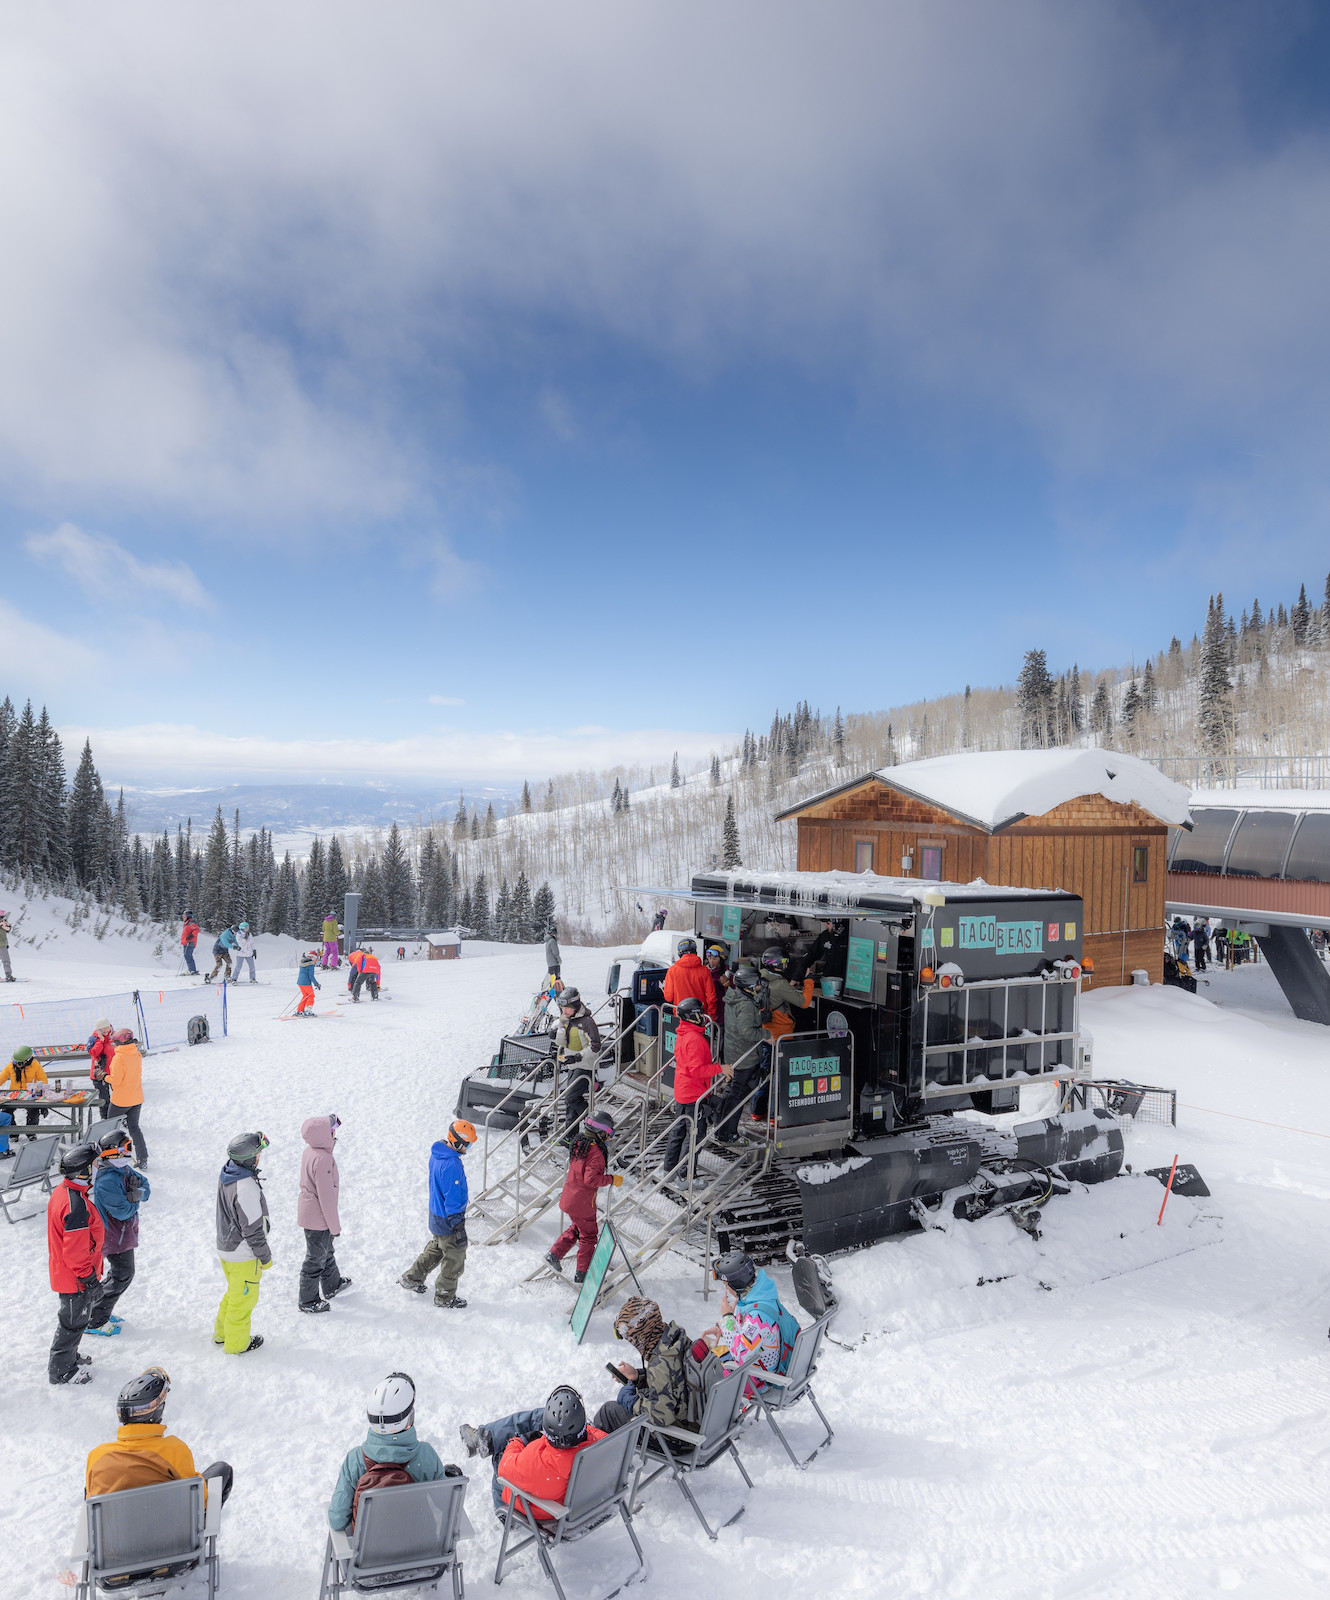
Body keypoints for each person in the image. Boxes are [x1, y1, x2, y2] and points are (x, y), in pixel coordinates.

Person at [328, 1373, 459, 1533]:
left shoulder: (355, 1459)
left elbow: (337, 1520)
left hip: (370, 1556)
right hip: (420, 1550)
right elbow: (446, 1506)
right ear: (410, 1416)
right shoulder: (425, 1455)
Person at [86, 1366, 234, 1506]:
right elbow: (199, 1500)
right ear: (158, 1411)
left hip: (114, 1532)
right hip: (170, 1531)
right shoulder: (174, 1450)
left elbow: (90, 1500)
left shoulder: (96, 1456)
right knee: (222, 1469)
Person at [458, 1386, 604, 1518]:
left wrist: (516, 1441)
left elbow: (505, 1465)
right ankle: (485, 1436)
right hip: (579, 1498)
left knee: (499, 1454)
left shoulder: (536, 1462)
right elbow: (590, 1430)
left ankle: (504, 1512)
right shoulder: (605, 1444)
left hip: (543, 1510)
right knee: (545, 1416)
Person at [399, 1120, 475, 1309]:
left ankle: (412, 1277)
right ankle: (444, 1296)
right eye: (468, 1144)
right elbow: (453, 1199)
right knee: (454, 1256)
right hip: (449, 1219)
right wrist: (457, 1226)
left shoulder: (438, 1155)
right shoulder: (452, 1165)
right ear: (458, 1142)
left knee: (437, 1248)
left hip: (436, 1215)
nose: (468, 1148)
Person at [591, 1296, 692, 1433]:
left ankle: (591, 1449)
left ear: (641, 1338)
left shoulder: (660, 1363)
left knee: (608, 1412)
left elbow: (661, 1416)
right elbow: (675, 1380)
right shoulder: (675, 1340)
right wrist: (639, 1376)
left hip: (680, 1437)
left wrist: (632, 1402)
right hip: (693, 1419)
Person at [48, 1141, 104, 1385]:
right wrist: (89, 1279)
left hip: (68, 1273)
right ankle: (61, 1371)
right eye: (93, 1165)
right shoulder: (76, 1205)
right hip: (75, 1278)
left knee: (77, 1320)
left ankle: (69, 1357)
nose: (97, 1167)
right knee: (72, 1323)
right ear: (83, 1172)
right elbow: (76, 1251)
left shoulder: (66, 1192)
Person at [700, 1250, 798, 1387]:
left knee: (701, 1372)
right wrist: (721, 1327)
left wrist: (727, 1318)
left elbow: (740, 1356)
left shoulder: (757, 1315)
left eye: (726, 1285)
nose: (726, 1289)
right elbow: (747, 1331)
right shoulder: (759, 1295)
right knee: (705, 1356)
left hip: (758, 1379)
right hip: (757, 1365)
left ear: (736, 1285)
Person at [544, 1110, 622, 1282]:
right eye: (609, 1133)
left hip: (571, 1198)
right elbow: (591, 1179)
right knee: (589, 1236)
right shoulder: (597, 1154)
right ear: (599, 1133)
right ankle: (582, 1274)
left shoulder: (580, 1144)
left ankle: (554, 1255)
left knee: (576, 1229)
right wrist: (611, 1179)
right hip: (583, 1203)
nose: (609, 1138)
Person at [87, 1129, 151, 1338]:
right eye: (127, 1148)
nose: (129, 1153)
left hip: (125, 1234)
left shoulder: (122, 1170)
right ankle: (96, 1320)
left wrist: (135, 1195)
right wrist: (134, 1199)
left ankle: (97, 1310)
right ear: (113, 1153)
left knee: (119, 1274)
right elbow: (122, 1211)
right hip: (114, 1237)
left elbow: (145, 1187)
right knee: (122, 1275)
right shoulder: (106, 1182)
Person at [660, 996, 731, 1180]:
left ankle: (670, 1168)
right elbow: (697, 1070)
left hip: (683, 1092)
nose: (703, 1015)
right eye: (700, 1013)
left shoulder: (683, 1033)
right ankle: (686, 1175)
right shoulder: (695, 1039)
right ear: (692, 1017)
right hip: (694, 1094)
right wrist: (720, 1068)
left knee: (679, 1132)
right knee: (695, 1136)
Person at [214, 1130, 271, 1355]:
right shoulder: (245, 1186)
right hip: (243, 1254)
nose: (260, 1158)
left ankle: (222, 1334)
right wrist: (265, 1257)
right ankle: (237, 1344)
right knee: (243, 1301)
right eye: (258, 1154)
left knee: (233, 1294)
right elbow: (253, 1229)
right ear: (249, 1158)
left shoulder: (229, 1173)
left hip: (227, 1247)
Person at [298, 1114, 352, 1313]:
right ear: (324, 1135)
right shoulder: (323, 1159)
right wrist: (334, 1227)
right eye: (332, 1130)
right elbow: (326, 1198)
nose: (335, 1132)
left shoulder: (310, 1152)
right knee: (315, 1259)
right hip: (318, 1218)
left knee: (325, 1250)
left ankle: (332, 1284)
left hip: (311, 1213)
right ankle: (308, 1301)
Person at [712, 967, 770, 1141]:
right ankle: (728, 1133)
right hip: (744, 1056)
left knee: (731, 1092)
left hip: (732, 1053)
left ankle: (720, 1128)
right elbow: (747, 1032)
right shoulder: (745, 1005)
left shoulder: (735, 998)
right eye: (757, 984)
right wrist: (766, 1036)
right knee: (737, 1095)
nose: (760, 986)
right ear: (748, 986)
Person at [554, 988, 602, 1132]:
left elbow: (596, 1046)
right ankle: (570, 1135)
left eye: (568, 1008)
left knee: (571, 1097)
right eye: (562, 1008)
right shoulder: (566, 1020)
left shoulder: (587, 1022)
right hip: (573, 1065)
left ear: (575, 1007)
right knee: (570, 1104)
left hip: (586, 1065)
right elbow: (561, 1043)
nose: (565, 1011)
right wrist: (558, 1031)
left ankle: (595, 1122)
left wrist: (578, 1056)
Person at [107, 1028, 148, 1168]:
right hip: (136, 1097)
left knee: (110, 1128)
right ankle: (143, 1159)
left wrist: (104, 1076)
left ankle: (109, 1156)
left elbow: (116, 1081)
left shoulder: (119, 1057)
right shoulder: (136, 1053)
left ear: (119, 1042)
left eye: (114, 1043)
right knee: (134, 1128)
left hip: (121, 1099)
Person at [663, 937, 718, 1021]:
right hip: (700, 1016)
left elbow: (668, 997)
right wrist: (711, 1016)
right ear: (695, 951)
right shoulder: (705, 971)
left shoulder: (672, 971)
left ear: (680, 953)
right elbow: (711, 998)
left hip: (680, 1016)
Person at [1, 1044, 50, 1138]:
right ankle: (13, 1133)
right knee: (5, 1112)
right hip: (14, 1094)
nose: (16, 1065)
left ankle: (31, 1132)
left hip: (30, 1094)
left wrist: (38, 1088)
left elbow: (43, 1080)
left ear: (27, 1061)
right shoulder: (11, 1066)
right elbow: (1, 1078)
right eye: (15, 1061)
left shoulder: (35, 1065)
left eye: (19, 1063)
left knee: (34, 1111)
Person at [87, 1018, 116, 1120]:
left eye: (107, 1027)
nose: (106, 1030)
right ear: (98, 1029)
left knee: (119, 1097)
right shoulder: (93, 1039)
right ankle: (105, 1118)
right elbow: (94, 1053)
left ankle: (120, 1117)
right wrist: (100, 1041)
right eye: (103, 1028)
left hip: (114, 1072)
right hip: (99, 1073)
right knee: (104, 1099)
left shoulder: (114, 1036)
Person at [295, 949, 322, 1016]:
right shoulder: (311, 964)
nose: (316, 960)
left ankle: (299, 1010)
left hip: (300, 982)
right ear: (312, 958)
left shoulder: (303, 963)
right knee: (311, 996)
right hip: (306, 983)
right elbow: (311, 976)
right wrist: (316, 984)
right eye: (316, 958)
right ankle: (308, 1011)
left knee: (305, 996)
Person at [179, 909, 200, 976]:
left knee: (188, 956)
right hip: (186, 942)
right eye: (183, 916)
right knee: (187, 956)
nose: (183, 917)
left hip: (190, 943)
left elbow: (197, 929)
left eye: (184, 916)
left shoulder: (191, 923)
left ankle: (192, 970)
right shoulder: (186, 923)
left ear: (188, 916)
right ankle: (191, 969)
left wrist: (191, 935)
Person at [0, 907, 14, 981]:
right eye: (1, 917)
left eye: (2, 917)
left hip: (3, 945)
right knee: (6, 961)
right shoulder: (1, 924)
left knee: (6, 961)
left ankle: (8, 975)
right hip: (2, 946)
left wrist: (8, 925)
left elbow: (8, 930)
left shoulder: (3, 924)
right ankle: (9, 976)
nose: (1, 918)